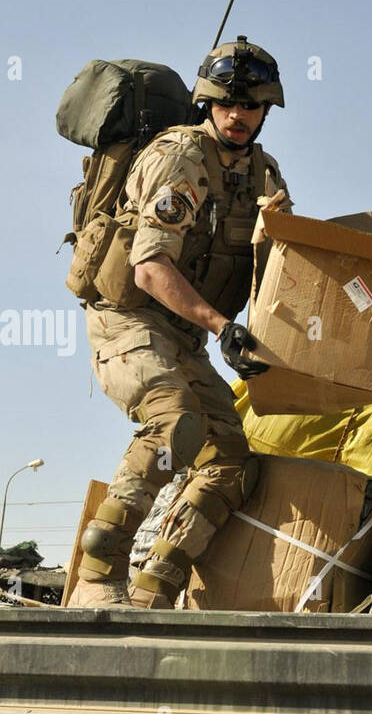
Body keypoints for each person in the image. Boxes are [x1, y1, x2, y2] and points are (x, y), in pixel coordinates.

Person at [69, 37, 292, 609]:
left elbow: (284, 266)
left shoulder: (266, 177)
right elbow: (148, 268)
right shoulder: (180, 158)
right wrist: (223, 326)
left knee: (231, 462)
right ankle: (99, 574)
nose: (237, 115)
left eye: (250, 105)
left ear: (267, 110)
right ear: (207, 103)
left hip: (186, 333)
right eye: (226, 103)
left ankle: (156, 586)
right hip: (128, 320)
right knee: (173, 425)